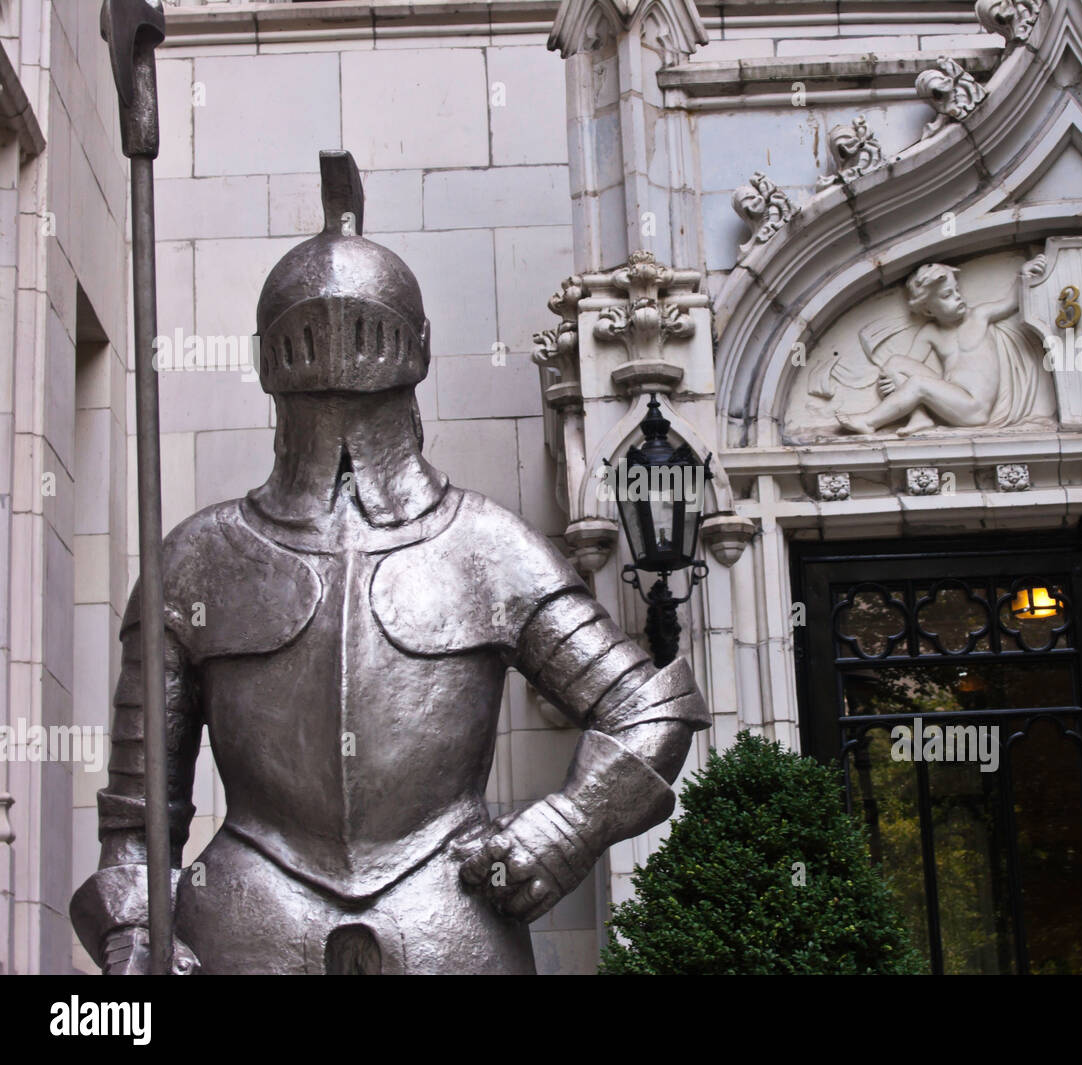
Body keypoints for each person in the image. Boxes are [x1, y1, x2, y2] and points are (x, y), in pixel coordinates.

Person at [70, 151, 710, 975]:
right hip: (250, 913)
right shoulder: (198, 562)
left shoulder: (484, 547)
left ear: (266, 357)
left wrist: (567, 828)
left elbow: (654, 708)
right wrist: (135, 936)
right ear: (421, 349)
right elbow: (136, 823)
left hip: (445, 903)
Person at [837, 260, 1039, 435]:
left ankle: (869, 420)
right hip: (952, 397)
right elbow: (904, 368)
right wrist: (892, 383)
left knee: (917, 384)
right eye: (946, 296)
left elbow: (1011, 303)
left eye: (956, 291)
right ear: (928, 310)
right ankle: (920, 418)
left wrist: (1025, 274)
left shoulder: (979, 316)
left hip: (973, 407)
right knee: (894, 364)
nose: (958, 297)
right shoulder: (930, 333)